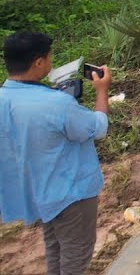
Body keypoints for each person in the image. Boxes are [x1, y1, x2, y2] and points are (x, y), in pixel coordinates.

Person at [0, 31, 112, 275]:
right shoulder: (57, 104)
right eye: (50, 57)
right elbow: (98, 128)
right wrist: (102, 90)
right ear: (39, 62)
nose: (51, 61)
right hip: (70, 194)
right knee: (76, 254)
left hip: (36, 192)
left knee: (54, 245)